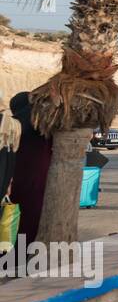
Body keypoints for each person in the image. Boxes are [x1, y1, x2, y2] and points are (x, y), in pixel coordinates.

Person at [8, 92, 53, 240]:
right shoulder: (42, 125)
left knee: (15, 223)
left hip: (17, 183)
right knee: (29, 222)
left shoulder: (14, 126)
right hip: (38, 182)